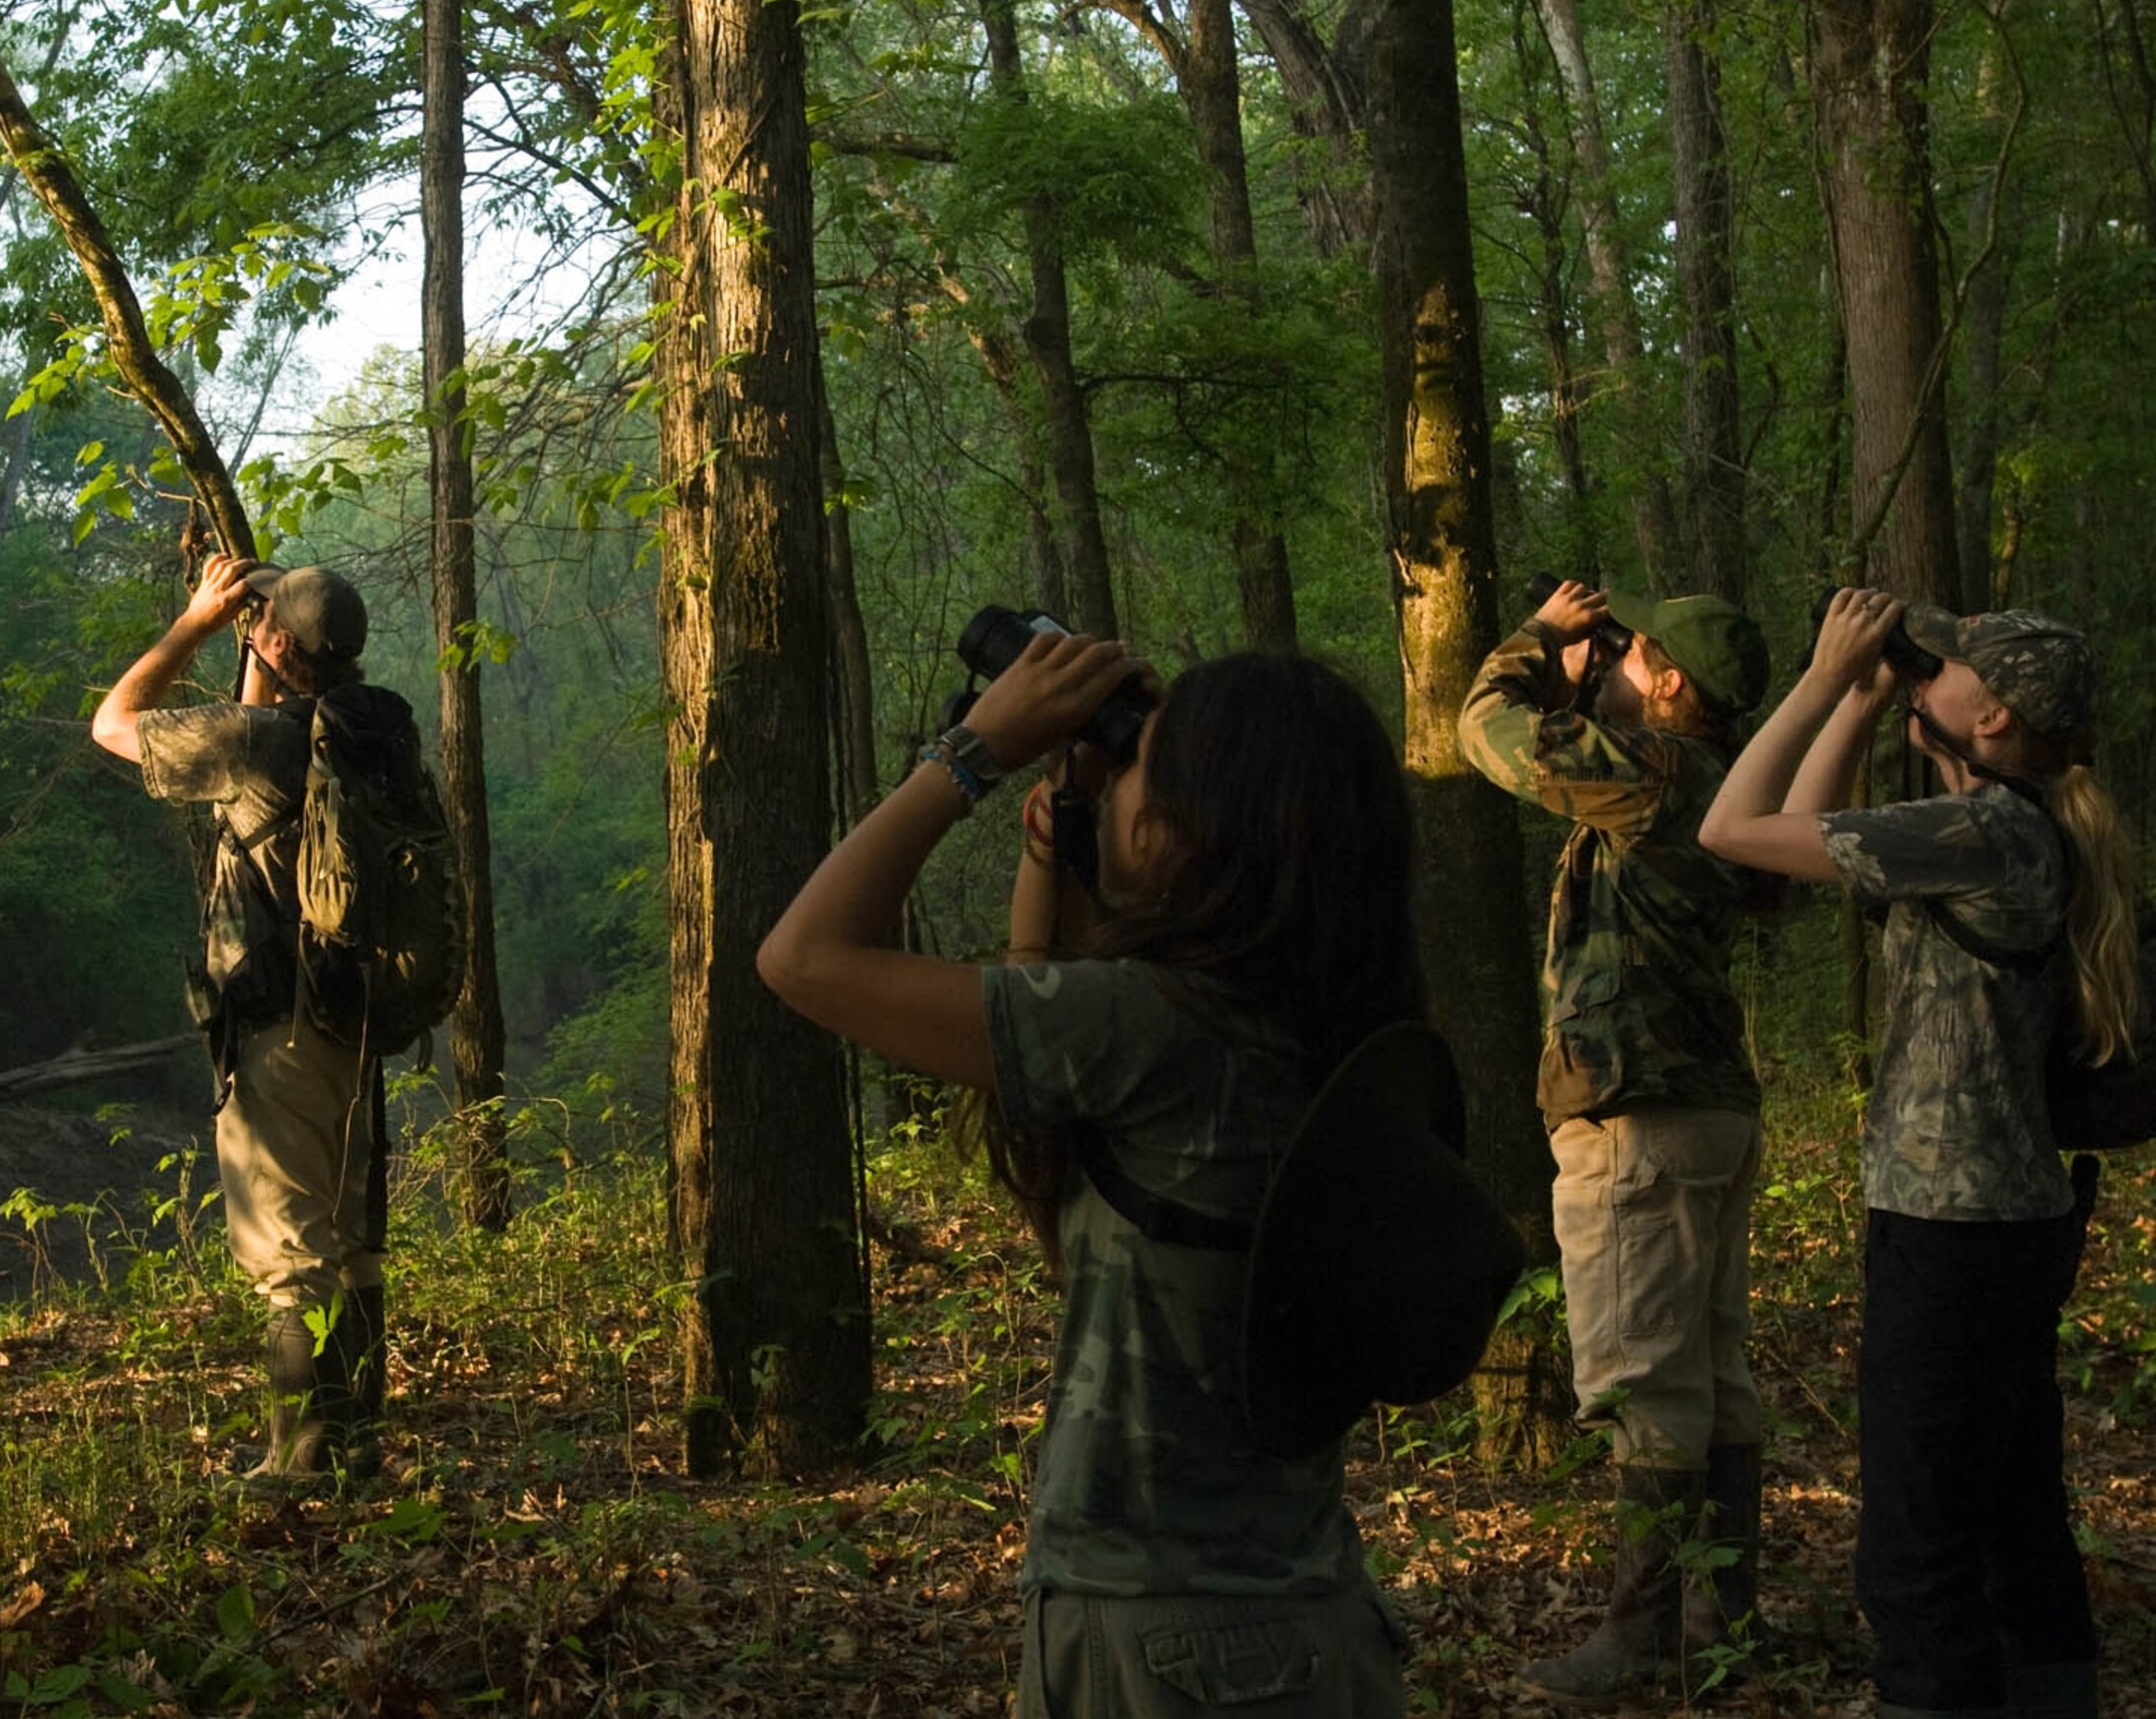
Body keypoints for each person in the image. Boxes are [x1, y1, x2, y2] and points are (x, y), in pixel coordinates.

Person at [758, 636, 1415, 1718]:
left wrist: (971, 754)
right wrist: (1066, 838)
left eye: (1142, 764)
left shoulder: (1153, 1028)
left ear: (1187, 832)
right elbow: (1062, 1112)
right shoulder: (1323, 1019)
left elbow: (802, 956)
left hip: (1161, 1650)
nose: (1116, 783)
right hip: (1313, 1624)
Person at [1702, 590, 2128, 1719]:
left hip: (1952, 1224)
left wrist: (1816, 683)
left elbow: (1732, 829)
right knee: (2012, 1504)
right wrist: (1858, 694)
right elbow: (1800, 830)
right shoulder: (2010, 826)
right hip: (2012, 1211)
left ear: (1990, 719)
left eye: (1941, 672)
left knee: (1917, 1529)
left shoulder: (1981, 830)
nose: (1919, 677)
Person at [1457, 580, 1773, 1701]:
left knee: (1646, 1379)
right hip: (1709, 1105)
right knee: (1713, 1371)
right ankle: (1720, 1619)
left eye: (1635, 653)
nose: (1620, 660)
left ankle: (1645, 1637)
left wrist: (1537, 640)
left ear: (1672, 680)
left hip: (1639, 1108)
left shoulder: (1647, 774)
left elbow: (1483, 729)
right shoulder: (1731, 782)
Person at [92, 549, 388, 1486]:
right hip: (361, 1013)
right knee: (350, 1243)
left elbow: (114, 724)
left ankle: (298, 1461)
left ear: (274, 642)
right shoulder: (375, 732)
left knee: (292, 1256)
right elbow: (280, 740)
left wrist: (197, 625)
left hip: (280, 1022)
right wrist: (263, 650)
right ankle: (354, 1444)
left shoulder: (255, 746)